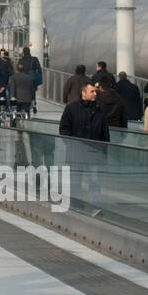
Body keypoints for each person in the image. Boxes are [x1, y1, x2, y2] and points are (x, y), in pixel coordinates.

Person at [59, 81, 109, 214]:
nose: (95, 94)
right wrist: (72, 144)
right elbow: (64, 129)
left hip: (94, 153)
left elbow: (105, 132)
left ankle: (95, 206)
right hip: (77, 152)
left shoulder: (100, 109)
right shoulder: (72, 108)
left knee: (94, 180)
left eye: (95, 91)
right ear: (83, 93)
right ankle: (76, 205)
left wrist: (104, 153)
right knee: (76, 181)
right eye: (92, 91)